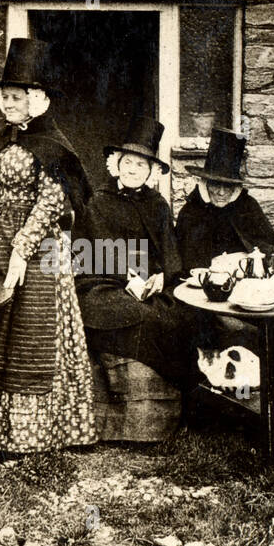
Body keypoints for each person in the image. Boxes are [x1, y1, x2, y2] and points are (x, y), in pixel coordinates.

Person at [0, 37, 95, 459]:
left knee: (31, 336)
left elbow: (52, 202)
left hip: (39, 254)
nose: (6, 104)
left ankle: (37, 434)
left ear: (39, 98)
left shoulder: (54, 144)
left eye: (15, 97)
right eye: (3, 97)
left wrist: (20, 251)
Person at [74, 115, 192, 384]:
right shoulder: (99, 201)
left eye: (140, 164)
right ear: (116, 164)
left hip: (151, 283)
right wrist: (127, 278)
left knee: (173, 317)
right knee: (117, 311)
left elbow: (170, 251)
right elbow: (89, 253)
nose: (132, 170)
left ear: (150, 170)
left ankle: (169, 392)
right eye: (127, 162)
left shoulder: (158, 204)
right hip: (104, 282)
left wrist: (162, 277)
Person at [175, 127, 274, 274]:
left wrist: (248, 259)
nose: (221, 192)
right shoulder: (191, 211)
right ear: (206, 183)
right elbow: (183, 260)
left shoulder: (248, 206)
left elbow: (273, 249)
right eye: (215, 184)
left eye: (228, 186)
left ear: (235, 187)